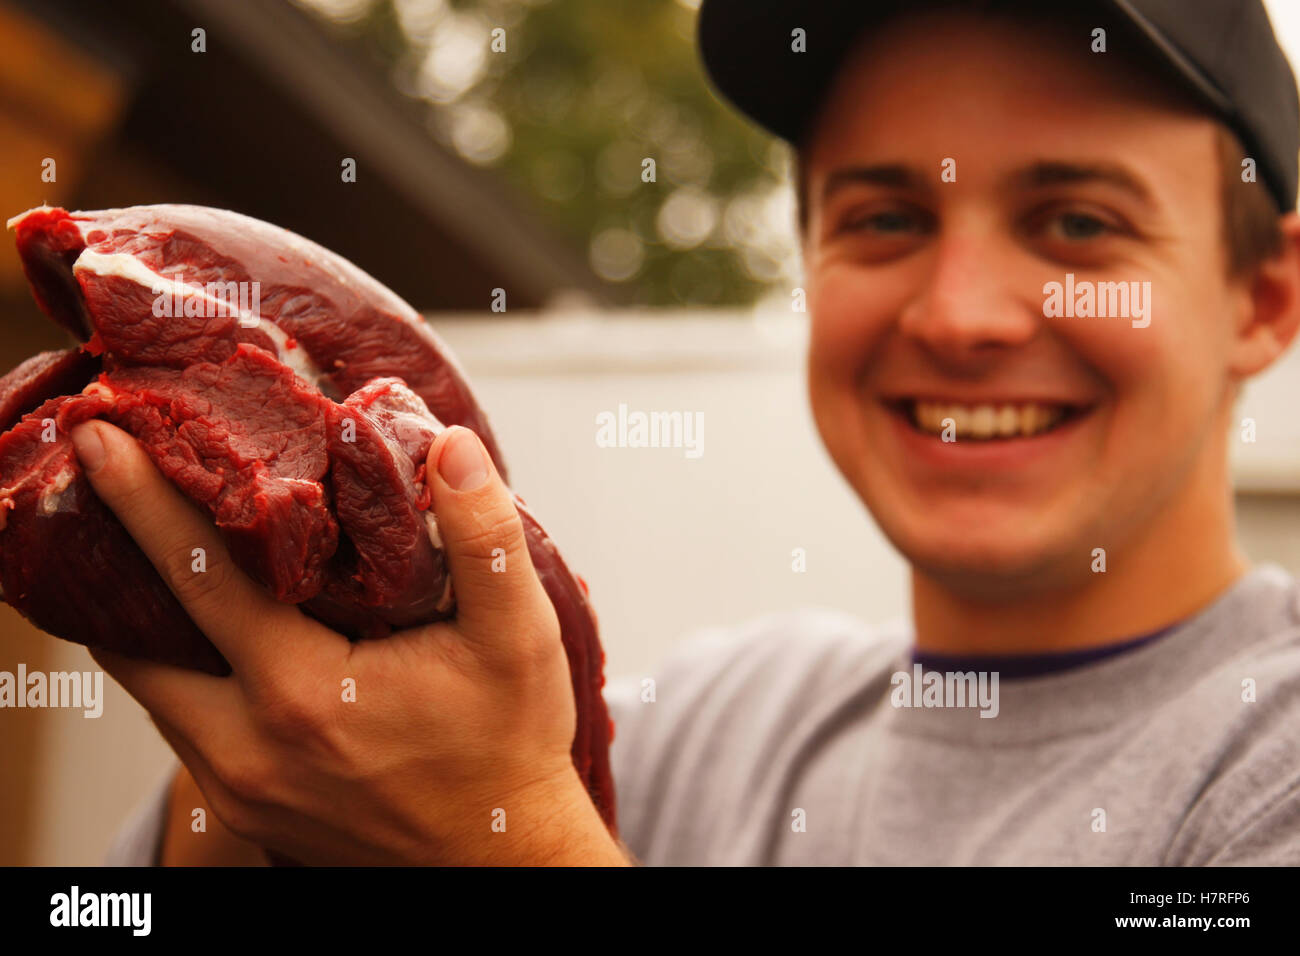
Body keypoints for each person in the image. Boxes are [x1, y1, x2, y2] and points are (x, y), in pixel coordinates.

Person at [98, 0, 1300, 866]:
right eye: (884, 216)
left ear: (1264, 299)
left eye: (1078, 220)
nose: (958, 315)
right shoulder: (707, 723)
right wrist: (275, 715)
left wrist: (495, 836)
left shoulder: (1267, 768)